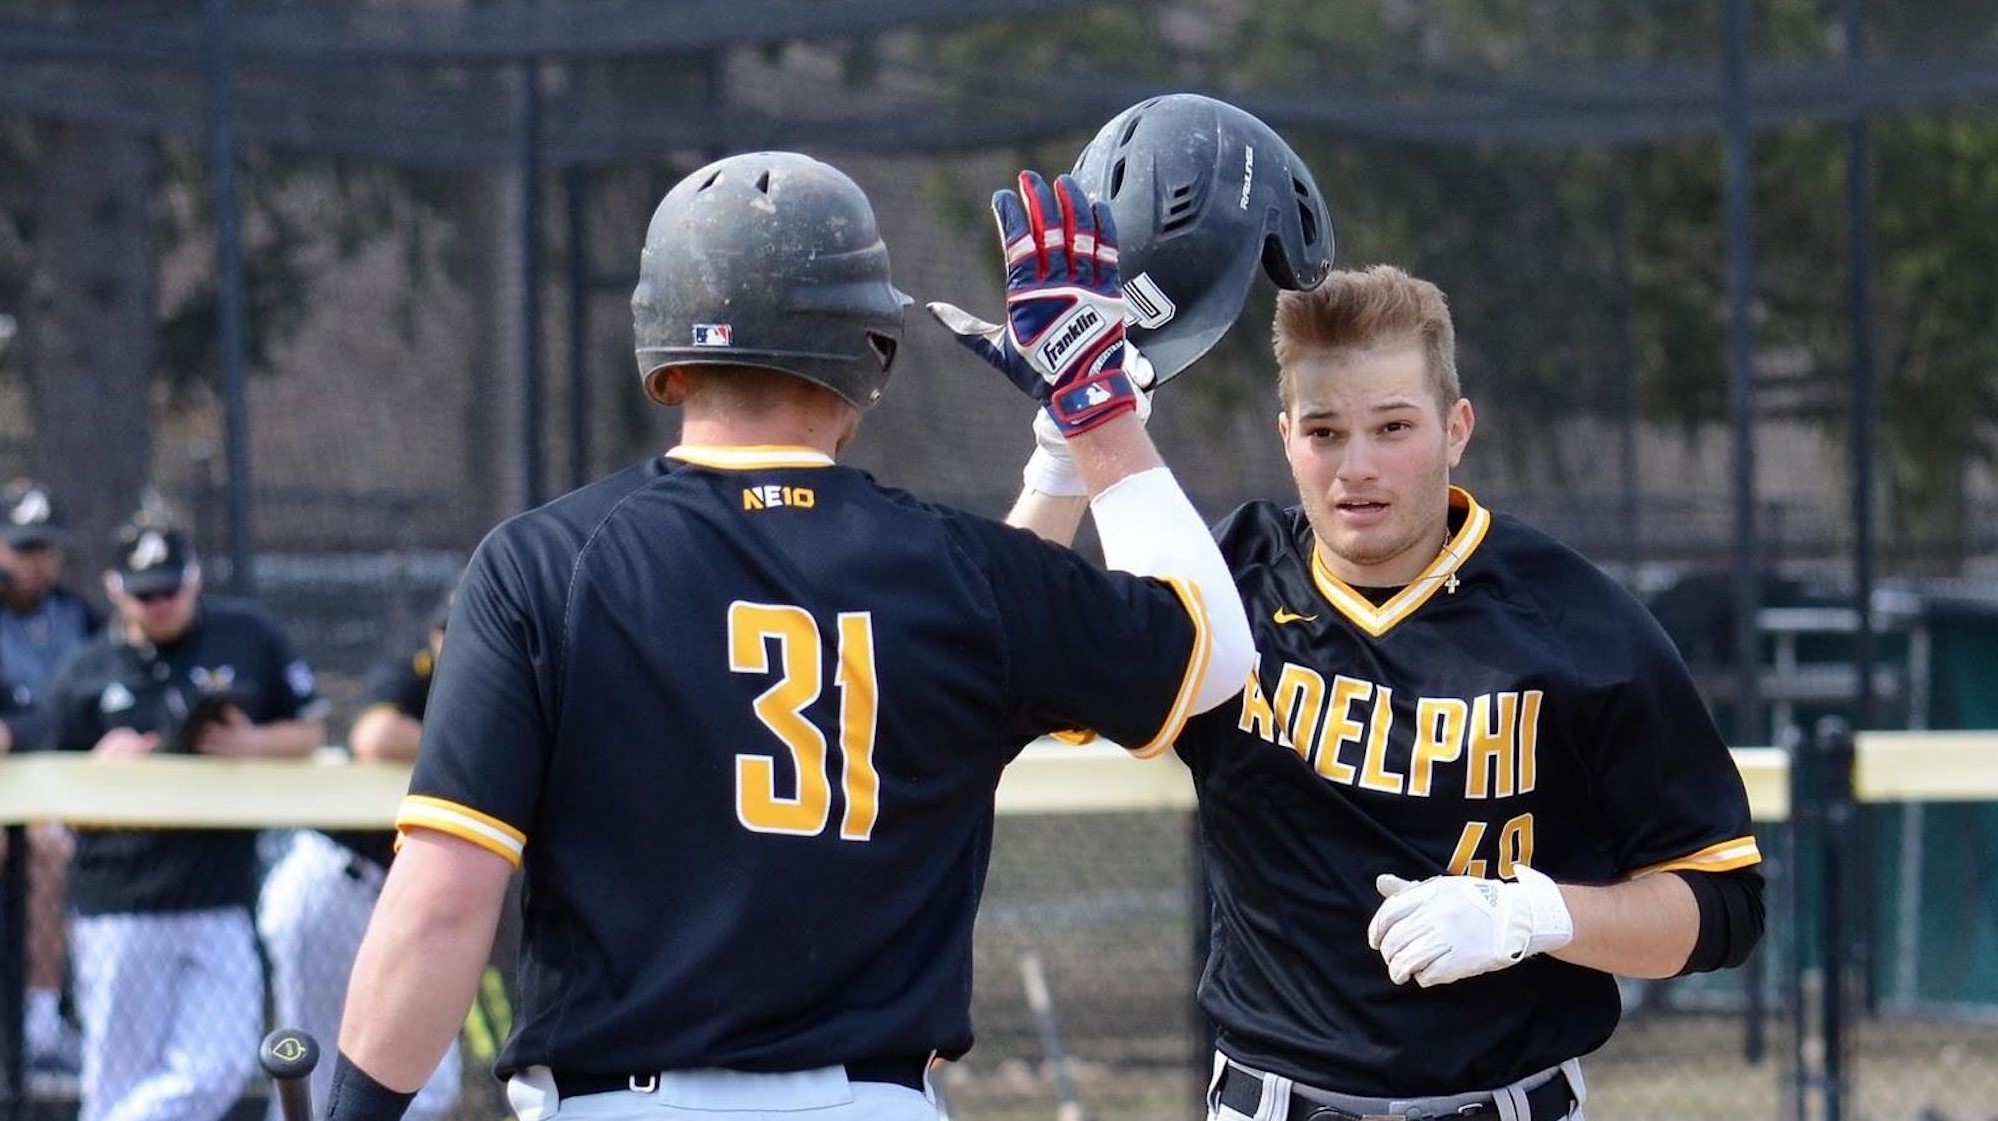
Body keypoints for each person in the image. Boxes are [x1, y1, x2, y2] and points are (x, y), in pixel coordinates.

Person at [323, 151, 1253, 1121]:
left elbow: (441, 903)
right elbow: (1215, 656)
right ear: (870, 351)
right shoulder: (960, 574)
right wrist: (1091, 406)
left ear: (663, 348)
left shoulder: (542, 564)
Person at [1000, 264, 1767, 1121]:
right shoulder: (1230, 580)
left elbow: (1722, 905)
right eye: (1324, 431)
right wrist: (1061, 460)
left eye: (1393, 426)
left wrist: (1533, 914)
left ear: (1456, 429)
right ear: (1287, 437)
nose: (1356, 466)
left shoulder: (1575, 620)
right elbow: (1003, 674)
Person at [42, 519, 330, 1121]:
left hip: (218, 893)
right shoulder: (84, 670)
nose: (160, 604)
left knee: (220, 1065)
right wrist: (96, 769)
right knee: (117, 1081)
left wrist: (253, 743)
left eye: (171, 589)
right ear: (115, 588)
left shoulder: (246, 635)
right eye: (145, 593)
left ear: (195, 579)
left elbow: (311, 729)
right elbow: (46, 792)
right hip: (120, 903)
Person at [257, 589, 462, 1121]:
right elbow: (376, 735)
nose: (458, 643)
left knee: (429, 1087)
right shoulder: (415, 674)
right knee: (315, 1083)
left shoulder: (502, 691)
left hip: (393, 900)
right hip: (334, 884)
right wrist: (479, 745)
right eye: (449, 631)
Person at [0, 478, 101, 1073]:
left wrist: (20, 729)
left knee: (49, 846)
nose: (36, 563)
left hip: (66, 787)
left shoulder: (77, 616)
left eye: (46, 548)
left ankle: (41, 1019)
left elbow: (85, 705)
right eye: (22, 548)